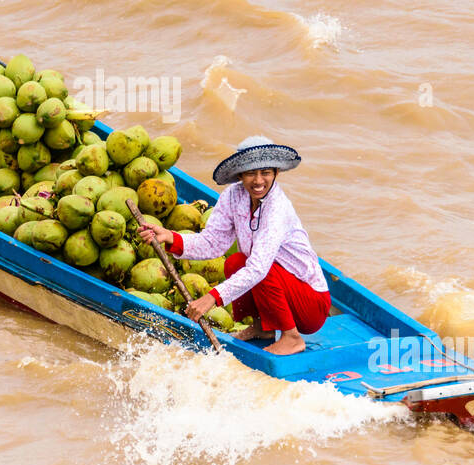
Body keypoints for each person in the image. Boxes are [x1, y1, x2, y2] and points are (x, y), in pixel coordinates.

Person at [139, 136, 331, 355]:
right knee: (235, 262)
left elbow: (259, 268)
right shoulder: (233, 195)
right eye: (251, 173)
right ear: (240, 174)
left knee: (258, 268)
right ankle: (263, 328)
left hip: (310, 304)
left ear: (276, 173)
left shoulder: (278, 209)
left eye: (265, 173)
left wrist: (211, 297)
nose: (258, 181)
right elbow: (213, 242)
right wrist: (171, 238)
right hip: (278, 286)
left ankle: (292, 337)